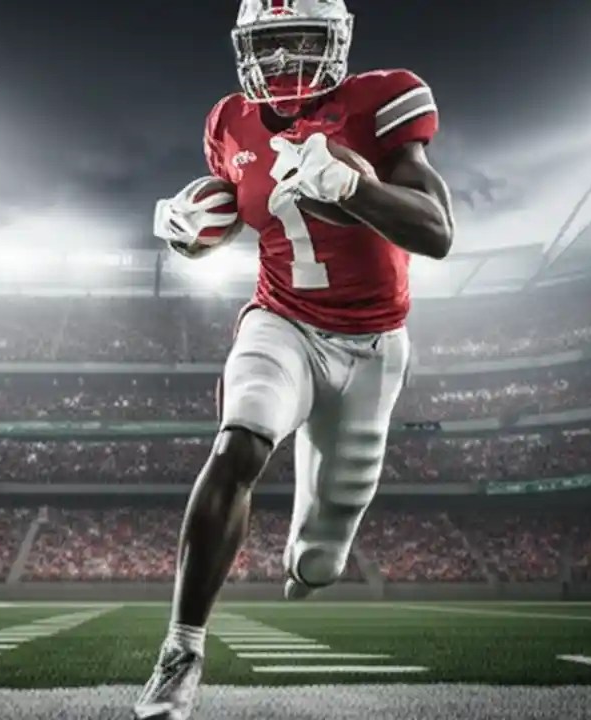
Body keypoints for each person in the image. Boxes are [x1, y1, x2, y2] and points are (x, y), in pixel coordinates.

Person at [134, 1, 454, 718]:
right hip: (281, 322)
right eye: (269, 45)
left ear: (335, 42)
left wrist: (359, 188)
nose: (282, 62)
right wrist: (194, 231)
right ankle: (181, 650)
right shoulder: (228, 124)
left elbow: (437, 233)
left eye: (301, 43)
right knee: (239, 441)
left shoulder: (380, 103)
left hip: (373, 346)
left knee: (319, 557)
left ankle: (311, 558)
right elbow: (238, 202)